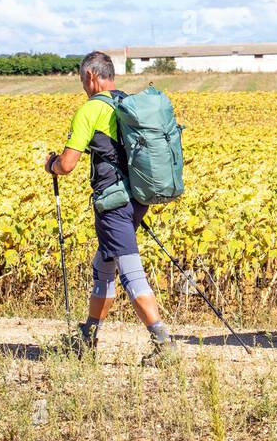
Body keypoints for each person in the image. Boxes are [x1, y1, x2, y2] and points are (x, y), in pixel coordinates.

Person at [44, 51, 177, 364]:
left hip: (112, 203)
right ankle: (87, 336)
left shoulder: (90, 111)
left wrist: (50, 165)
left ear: (91, 76)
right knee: (104, 265)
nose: (82, 86)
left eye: (81, 80)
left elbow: (67, 164)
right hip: (137, 199)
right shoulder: (127, 103)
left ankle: (163, 343)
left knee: (129, 271)